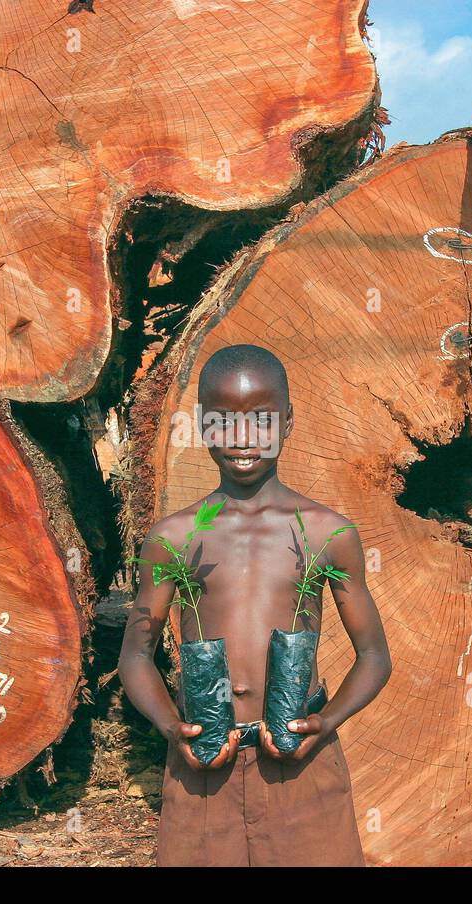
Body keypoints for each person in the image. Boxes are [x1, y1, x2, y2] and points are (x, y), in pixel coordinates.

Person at [118, 344, 392, 866]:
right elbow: (135, 655)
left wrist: (325, 722)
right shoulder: (173, 538)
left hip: (300, 764)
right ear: (202, 425)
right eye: (224, 420)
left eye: (262, 419)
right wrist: (172, 728)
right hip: (204, 768)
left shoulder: (325, 533)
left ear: (287, 422)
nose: (243, 439)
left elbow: (375, 657)